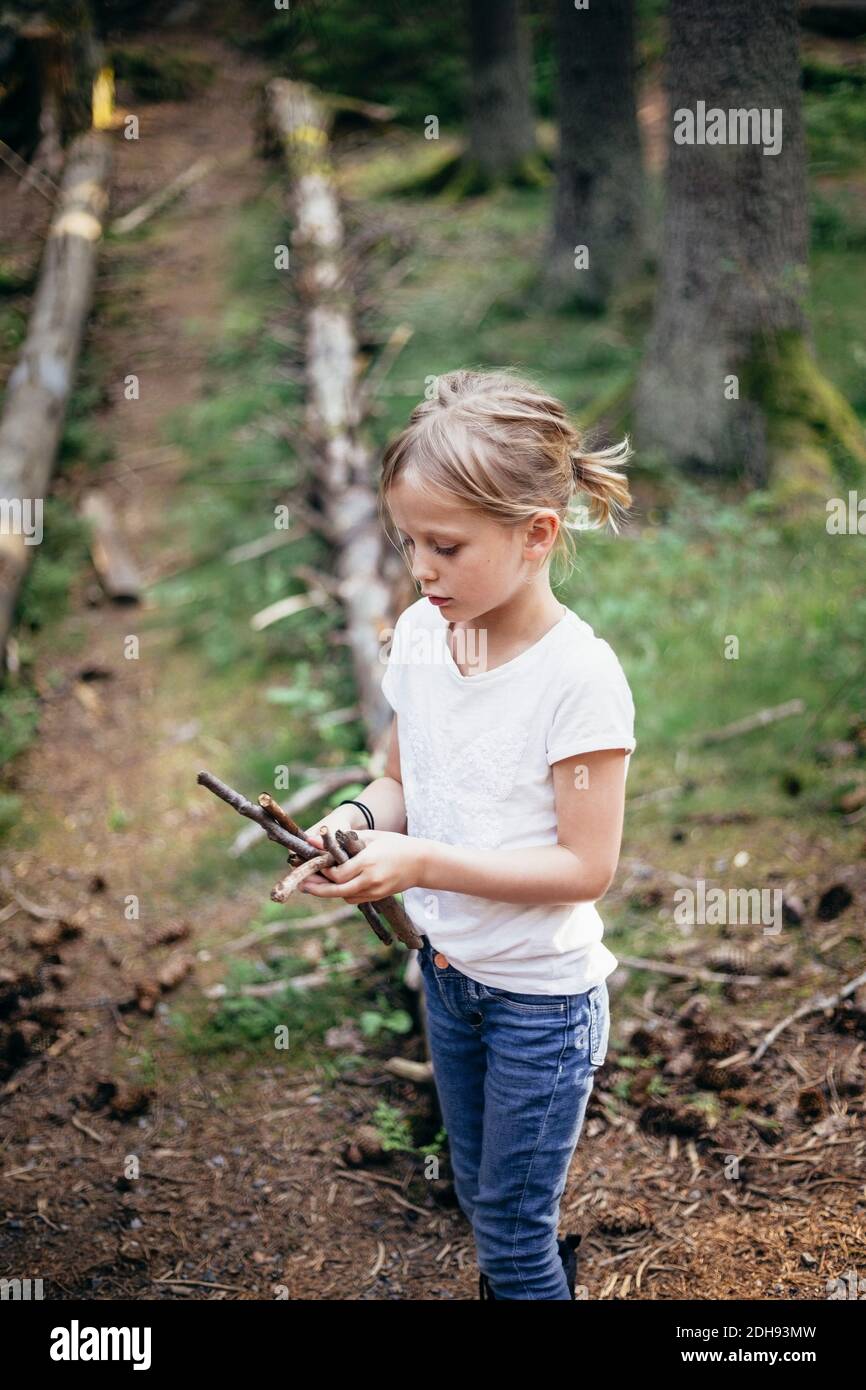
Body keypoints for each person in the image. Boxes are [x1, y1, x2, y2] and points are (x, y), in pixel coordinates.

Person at [301, 368, 637, 1299]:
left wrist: (420, 862)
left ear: (537, 536)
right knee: (481, 1191)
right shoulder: (420, 632)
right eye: (408, 543)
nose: (421, 569)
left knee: (513, 1237)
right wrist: (356, 824)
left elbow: (586, 867)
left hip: (539, 1007)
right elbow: (401, 777)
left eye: (445, 546)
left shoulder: (579, 680)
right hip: (449, 978)